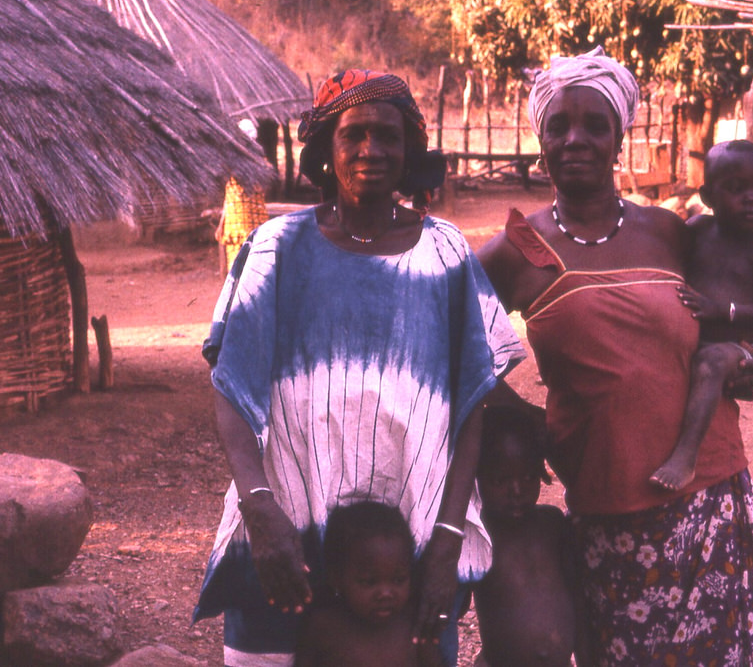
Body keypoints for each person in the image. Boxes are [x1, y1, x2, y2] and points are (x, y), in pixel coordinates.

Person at [193, 69, 525, 667]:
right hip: (286, 526)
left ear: (409, 150)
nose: (372, 149)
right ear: (327, 149)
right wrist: (260, 510)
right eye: (354, 135)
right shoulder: (275, 248)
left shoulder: (446, 253)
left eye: (388, 135)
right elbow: (230, 388)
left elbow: (472, 406)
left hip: (406, 551)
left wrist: (448, 539)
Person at [477, 47, 753, 665]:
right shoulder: (514, 250)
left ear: (620, 140)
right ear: (540, 141)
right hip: (607, 506)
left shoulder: (669, 232)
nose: (576, 139)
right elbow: (451, 350)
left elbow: (742, 319)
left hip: (711, 494)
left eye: (595, 125)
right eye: (559, 126)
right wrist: (529, 421)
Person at [649, 139, 753, 491]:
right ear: (708, 196)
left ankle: (686, 457)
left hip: (739, 349)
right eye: (737, 189)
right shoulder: (696, 231)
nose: (752, 199)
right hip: (695, 341)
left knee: (711, 362)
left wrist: (724, 311)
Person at [471, 405, 579, 667]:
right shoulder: (480, 535)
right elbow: (456, 604)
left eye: (528, 477)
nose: (516, 490)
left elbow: (577, 593)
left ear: (542, 472)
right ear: (477, 477)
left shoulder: (552, 525)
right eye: (500, 481)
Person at [295, 501, 444, 667]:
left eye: (398, 580)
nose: (385, 593)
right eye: (369, 582)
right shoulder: (323, 627)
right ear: (336, 578)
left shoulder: (414, 626)